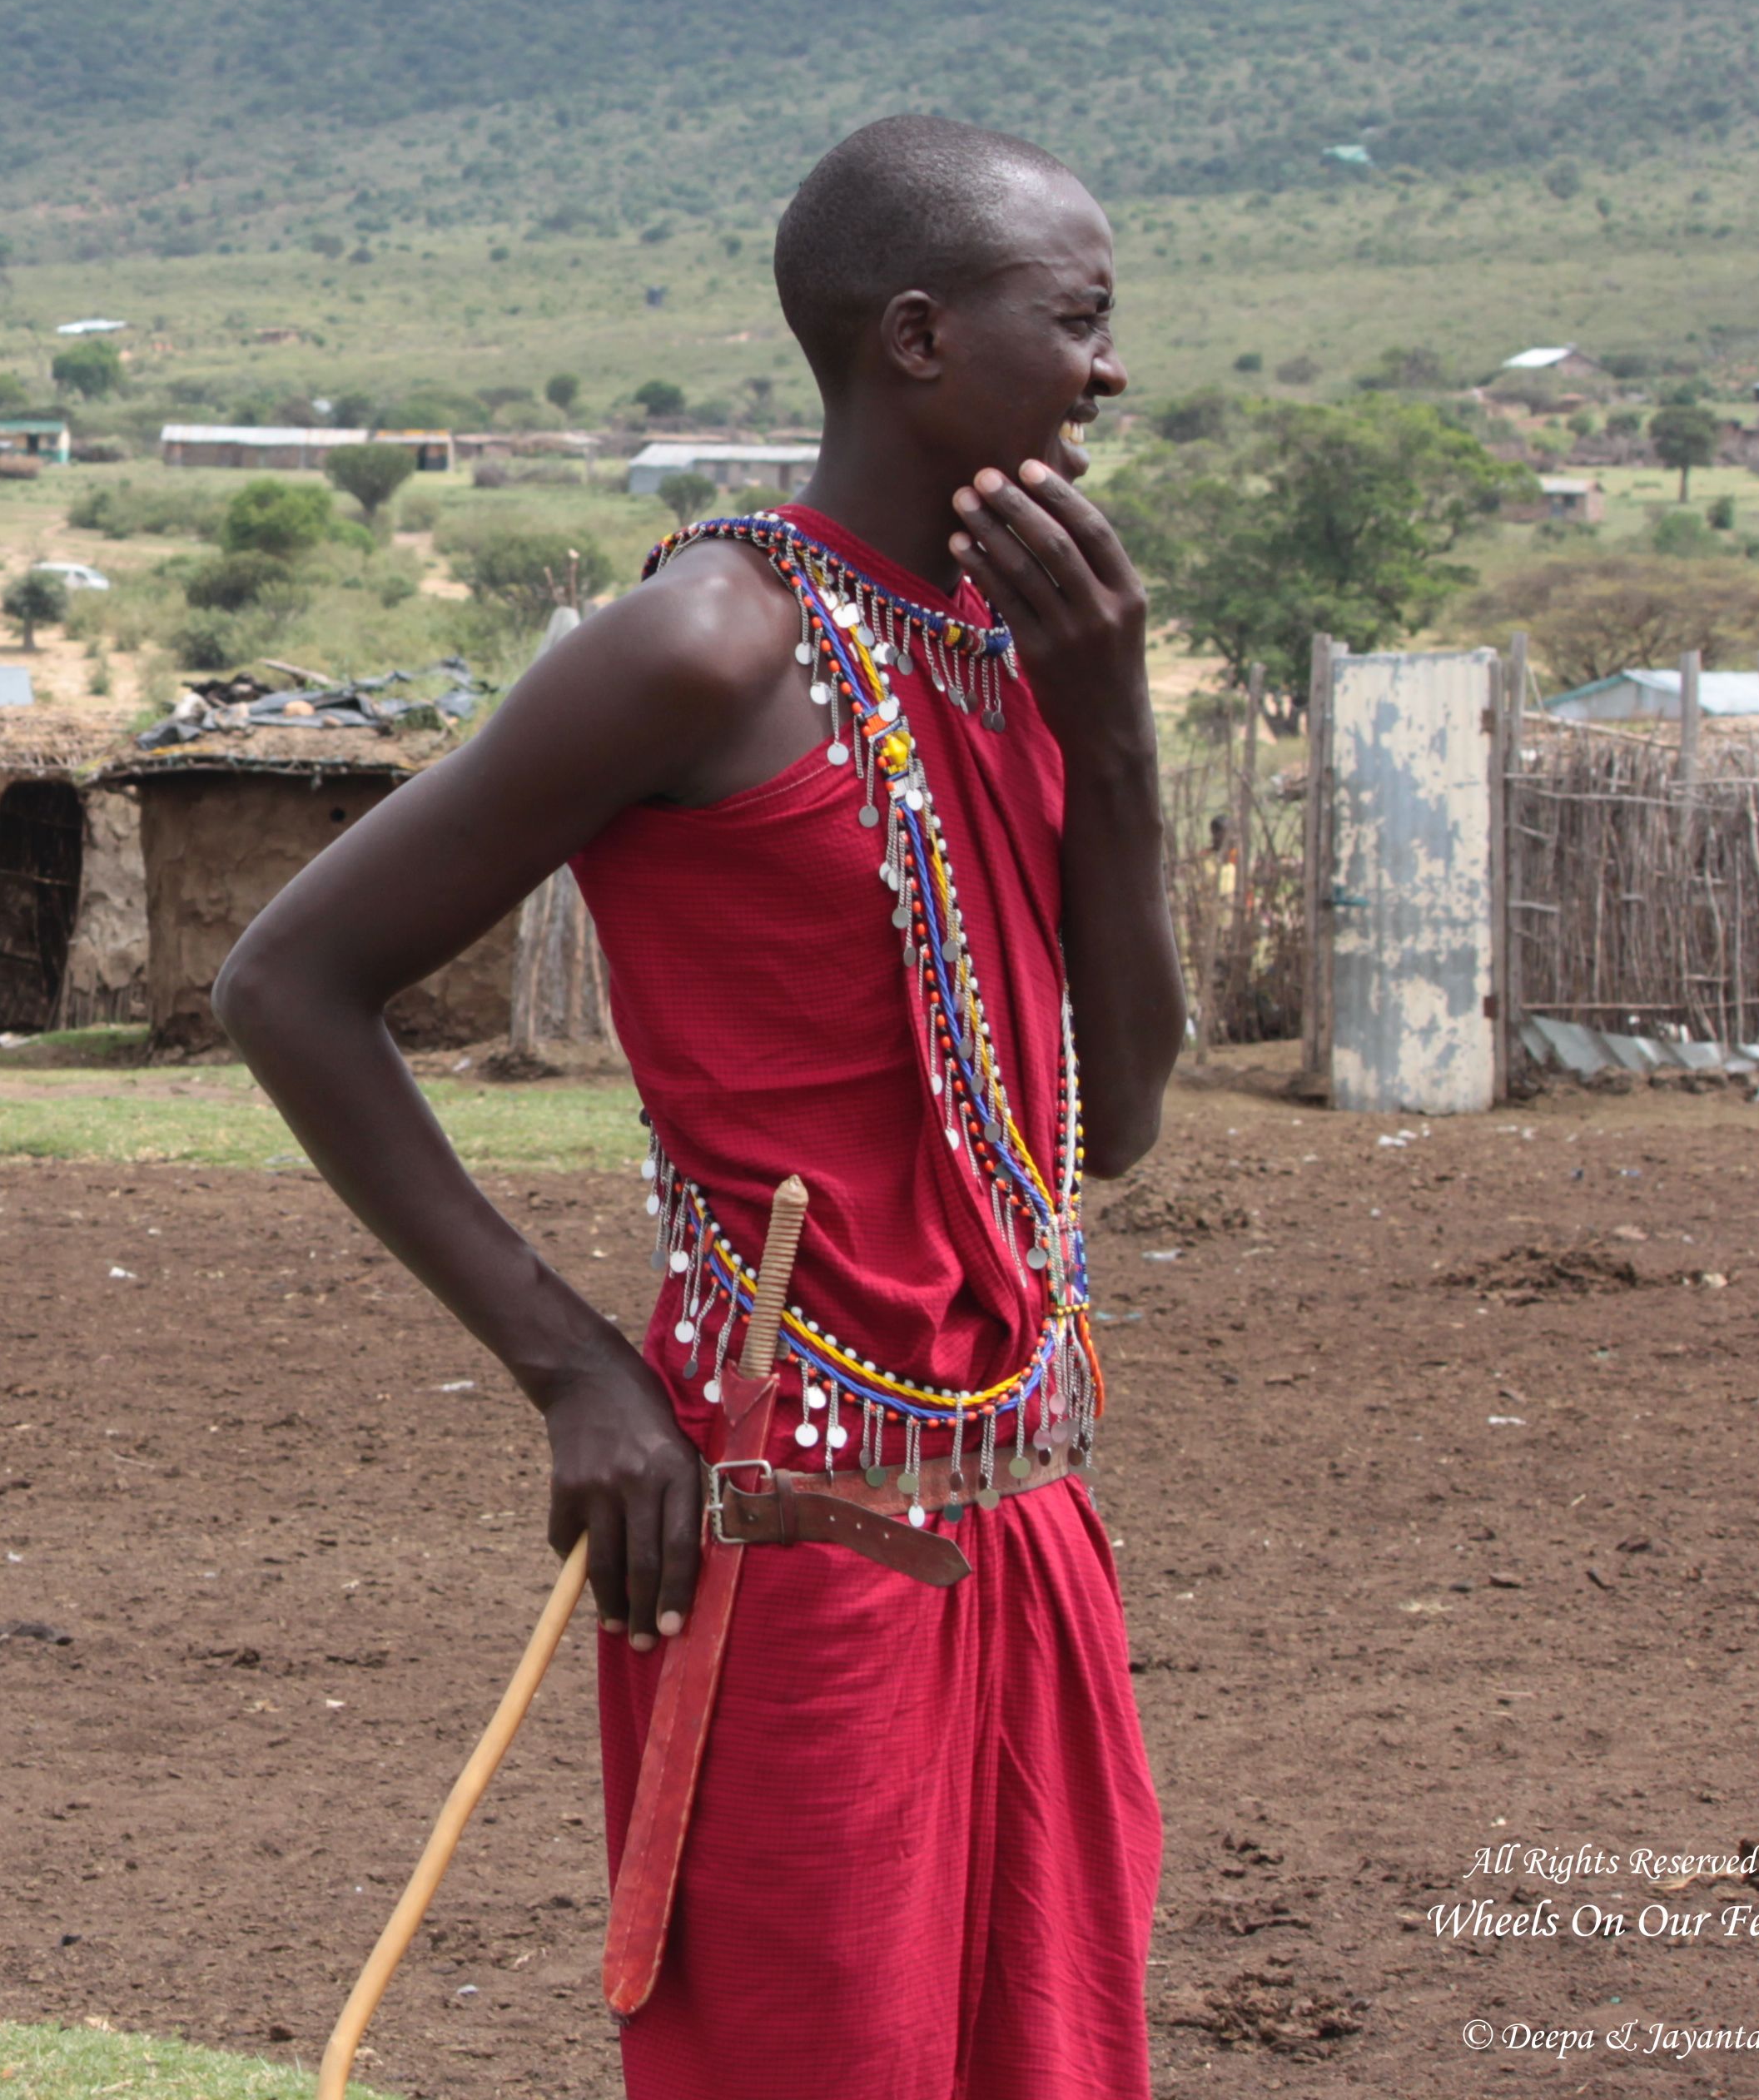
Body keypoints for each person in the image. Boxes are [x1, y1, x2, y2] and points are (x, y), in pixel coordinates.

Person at [218, 115, 1180, 2098]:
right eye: (1074, 320)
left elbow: (1127, 1104)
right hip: (786, 1513)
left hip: (1025, 1496)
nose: (1107, 370)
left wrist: (1110, 730)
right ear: (915, 338)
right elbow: (285, 981)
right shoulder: (698, 645)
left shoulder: (1018, 650)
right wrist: (566, 1363)